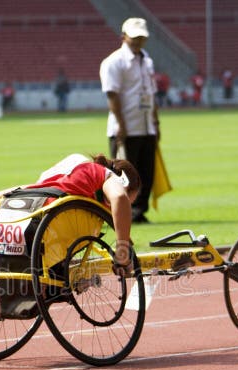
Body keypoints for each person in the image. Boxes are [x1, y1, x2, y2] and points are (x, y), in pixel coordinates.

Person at [0, 153, 141, 275]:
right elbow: (120, 198)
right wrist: (122, 250)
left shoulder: (70, 177)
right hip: (47, 235)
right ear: (124, 183)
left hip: (24, 224)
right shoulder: (104, 175)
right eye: (129, 203)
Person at [99, 17, 159, 224]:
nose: (138, 41)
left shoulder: (147, 60)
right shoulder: (114, 62)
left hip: (146, 127)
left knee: (146, 174)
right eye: (135, 37)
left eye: (141, 37)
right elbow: (112, 96)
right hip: (125, 129)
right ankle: (120, 212)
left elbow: (151, 94)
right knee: (122, 175)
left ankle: (139, 212)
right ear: (123, 36)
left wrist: (156, 123)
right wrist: (122, 126)